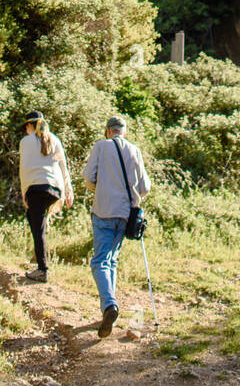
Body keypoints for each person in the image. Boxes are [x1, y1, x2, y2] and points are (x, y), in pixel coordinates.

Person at [82, 114, 151, 337]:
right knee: (111, 260)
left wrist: (100, 190)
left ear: (108, 130)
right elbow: (145, 188)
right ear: (124, 131)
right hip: (124, 213)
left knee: (100, 260)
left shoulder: (101, 146)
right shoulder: (134, 150)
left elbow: (88, 177)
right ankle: (108, 306)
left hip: (103, 209)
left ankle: (110, 305)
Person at [19, 112, 73, 282]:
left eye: (26, 126)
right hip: (54, 189)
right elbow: (63, 165)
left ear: (30, 125)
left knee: (37, 227)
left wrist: (23, 194)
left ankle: (42, 269)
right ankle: (39, 257)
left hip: (36, 188)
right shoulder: (54, 139)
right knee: (39, 221)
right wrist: (68, 189)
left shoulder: (25, 142)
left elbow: (24, 169)